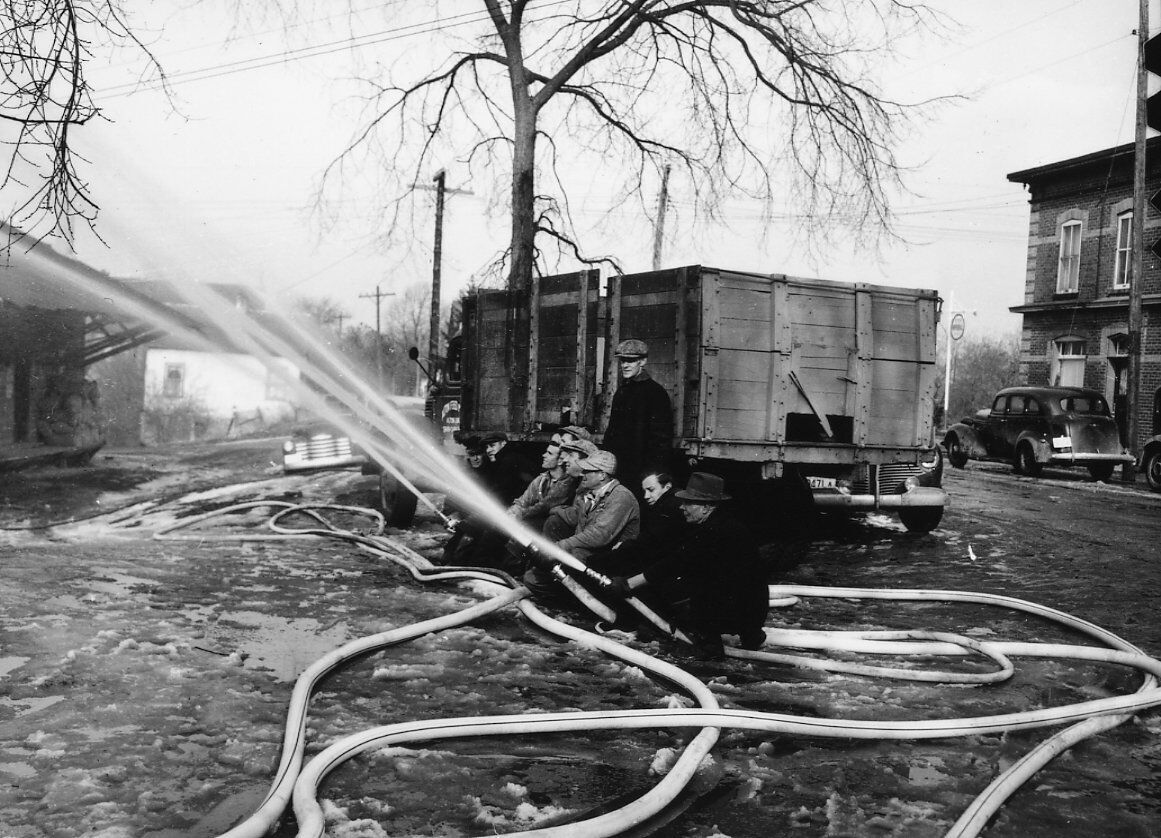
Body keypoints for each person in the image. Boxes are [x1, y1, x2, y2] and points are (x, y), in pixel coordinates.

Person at [607, 472, 768, 661]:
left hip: (736, 607)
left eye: (688, 503)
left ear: (706, 507)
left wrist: (629, 584)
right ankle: (750, 636)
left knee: (678, 595)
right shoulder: (725, 524)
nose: (681, 507)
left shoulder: (712, 531)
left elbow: (675, 563)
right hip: (752, 607)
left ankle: (708, 651)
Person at [523, 450, 641, 600]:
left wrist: (558, 547)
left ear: (602, 475)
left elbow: (598, 536)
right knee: (532, 577)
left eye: (587, 471)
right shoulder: (592, 493)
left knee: (574, 554)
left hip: (610, 561)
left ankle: (577, 599)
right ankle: (561, 586)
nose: (582, 474)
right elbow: (575, 516)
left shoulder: (621, 497)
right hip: (588, 554)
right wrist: (555, 509)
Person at [601, 339, 673, 493]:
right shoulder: (621, 392)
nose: (625, 365)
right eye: (623, 361)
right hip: (620, 469)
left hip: (641, 473)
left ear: (643, 361)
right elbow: (612, 432)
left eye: (631, 361)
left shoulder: (656, 393)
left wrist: (650, 475)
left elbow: (660, 441)